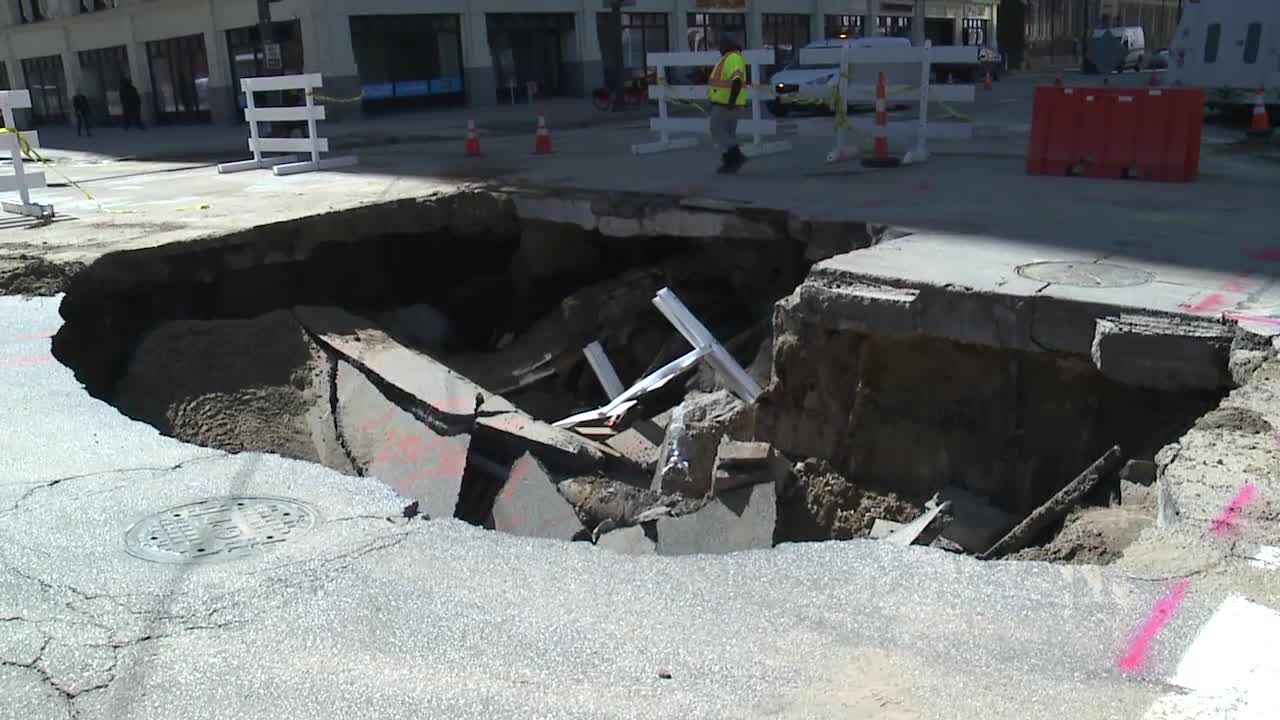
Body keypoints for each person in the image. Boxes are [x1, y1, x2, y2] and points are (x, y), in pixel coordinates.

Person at [707, 33, 749, 174]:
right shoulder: (728, 58)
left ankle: (736, 157)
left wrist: (731, 101)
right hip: (728, 104)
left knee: (717, 130)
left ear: (727, 45)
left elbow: (736, 80)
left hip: (726, 104)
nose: (719, 47)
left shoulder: (732, 58)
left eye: (721, 44)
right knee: (728, 134)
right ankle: (730, 164)